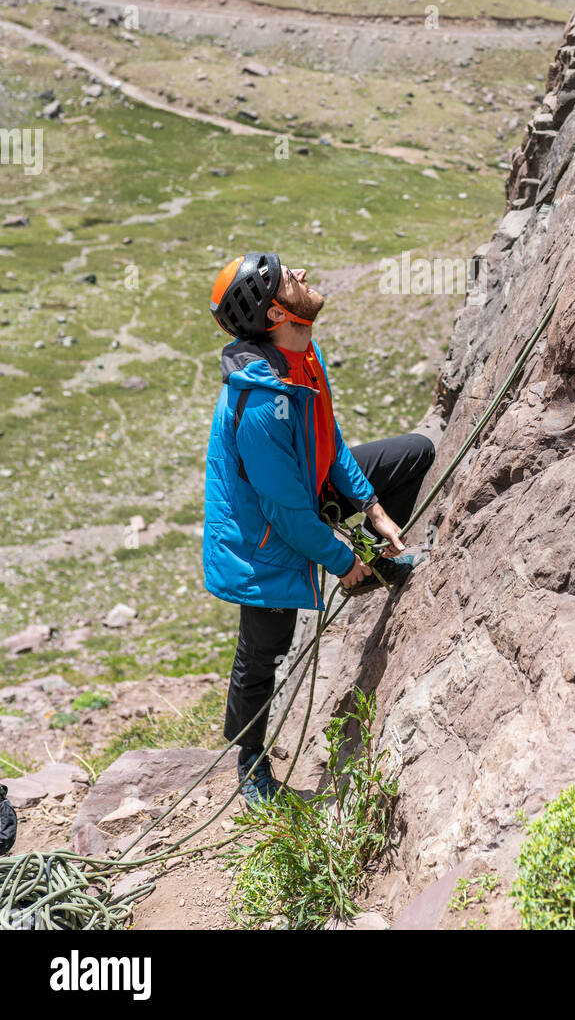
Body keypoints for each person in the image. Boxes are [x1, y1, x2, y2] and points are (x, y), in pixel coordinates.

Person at [204, 251, 434, 804]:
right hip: (261, 543)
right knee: (264, 649)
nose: (301, 274)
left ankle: (376, 566)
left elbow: (327, 439)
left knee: (416, 454)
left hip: (302, 493)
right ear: (277, 313)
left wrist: (372, 505)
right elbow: (284, 514)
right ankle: (249, 760)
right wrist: (341, 561)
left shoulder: (302, 354)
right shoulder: (261, 405)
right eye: (287, 278)